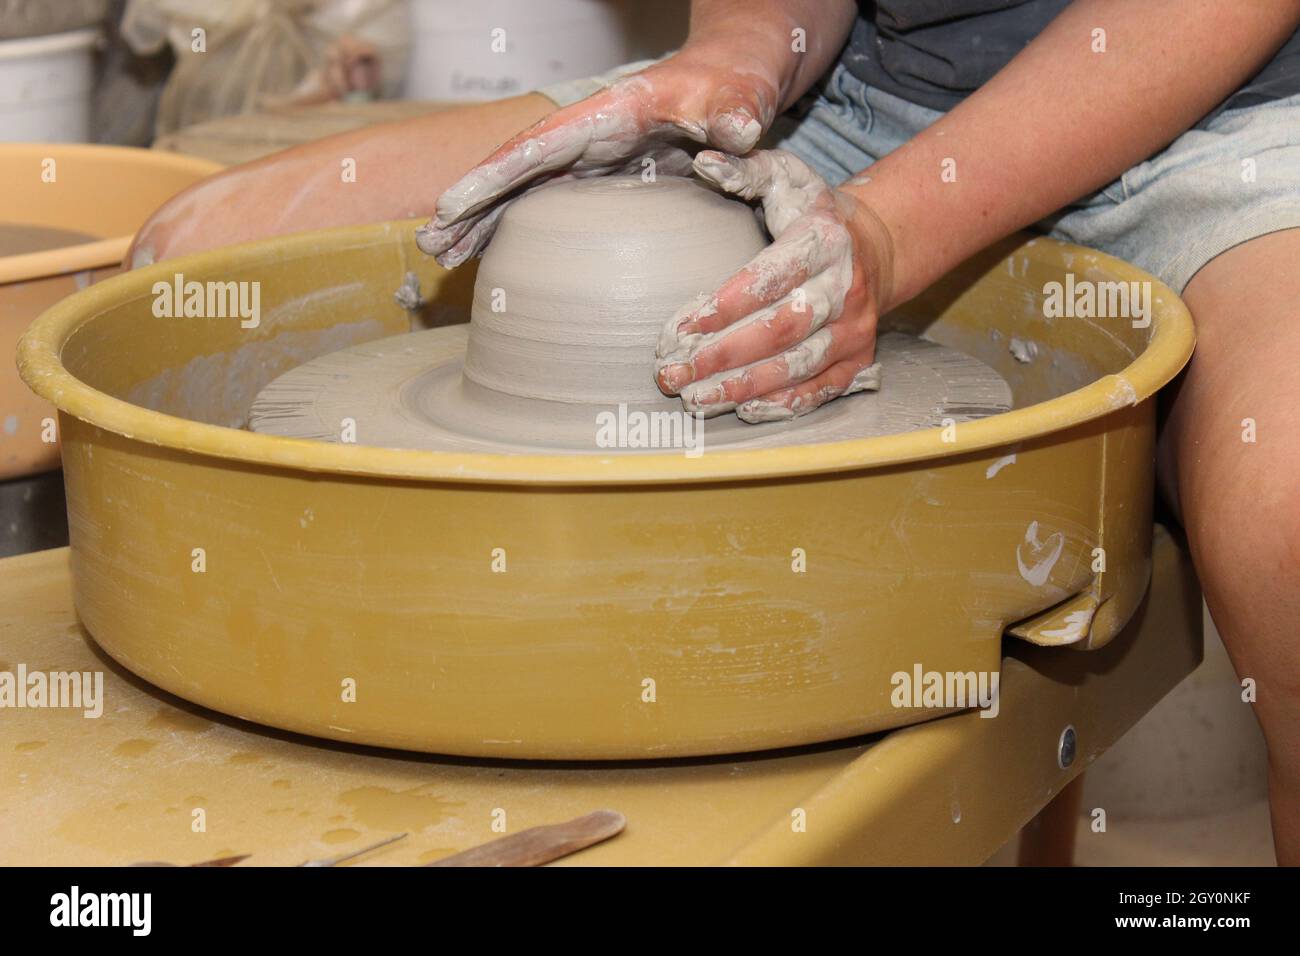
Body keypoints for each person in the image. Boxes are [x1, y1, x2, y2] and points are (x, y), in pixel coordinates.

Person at [130, 0, 1300, 863]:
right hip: (848, 98)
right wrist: (733, 62)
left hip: (1219, 117)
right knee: (195, 260)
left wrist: (887, 235)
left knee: (1285, 515)